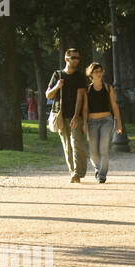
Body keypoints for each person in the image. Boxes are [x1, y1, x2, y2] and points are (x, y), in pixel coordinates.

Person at [45, 48, 89, 183]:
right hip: (61, 115)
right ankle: (73, 172)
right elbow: (48, 95)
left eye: (78, 58)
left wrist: (76, 116)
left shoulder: (80, 77)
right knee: (67, 146)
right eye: (73, 58)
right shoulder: (57, 75)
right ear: (66, 59)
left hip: (76, 116)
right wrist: (57, 86)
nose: (76, 60)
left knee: (77, 144)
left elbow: (80, 97)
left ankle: (78, 172)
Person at [79, 62, 124, 183]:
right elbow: (85, 108)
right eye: (95, 71)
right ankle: (98, 169)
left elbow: (114, 105)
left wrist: (118, 122)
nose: (98, 74)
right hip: (92, 122)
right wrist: (84, 123)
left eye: (100, 71)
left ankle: (102, 175)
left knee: (103, 149)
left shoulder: (108, 88)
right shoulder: (87, 90)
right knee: (93, 151)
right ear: (91, 74)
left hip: (106, 121)